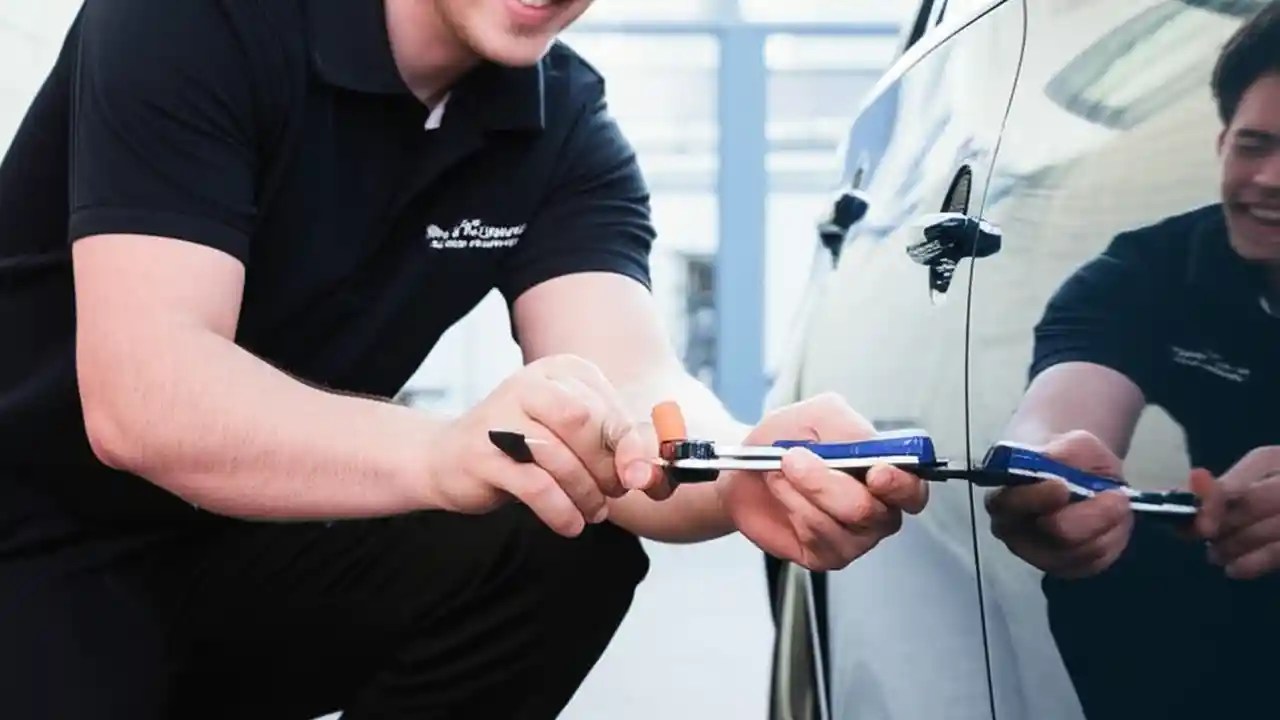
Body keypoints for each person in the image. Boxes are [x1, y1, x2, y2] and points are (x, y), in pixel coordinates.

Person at [0, 0, 931, 718]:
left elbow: (632, 384)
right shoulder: (198, 22)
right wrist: (438, 451)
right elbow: (144, 400)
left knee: (558, 539)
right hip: (40, 547)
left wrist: (739, 469)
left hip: (253, 556)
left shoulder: (561, 124)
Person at [982, 4, 1280, 718]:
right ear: (1218, 145)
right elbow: (1056, 424)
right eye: (1253, 145)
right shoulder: (1149, 272)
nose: (1269, 178)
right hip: (1229, 619)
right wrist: (1047, 479)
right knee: (1117, 561)